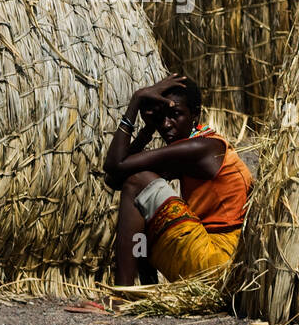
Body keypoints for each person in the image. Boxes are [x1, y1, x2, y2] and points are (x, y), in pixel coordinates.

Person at [94, 73, 252, 295]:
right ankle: (146, 284)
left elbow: (116, 166)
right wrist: (147, 131)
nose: (166, 125)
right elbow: (114, 178)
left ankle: (123, 294)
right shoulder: (194, 150)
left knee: (140, 184)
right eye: (160, 118)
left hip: (217, 262)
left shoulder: (202, 148)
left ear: (195, 114)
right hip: (216, 264)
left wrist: (136, 101)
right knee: (141, 200)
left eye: (175, 115)